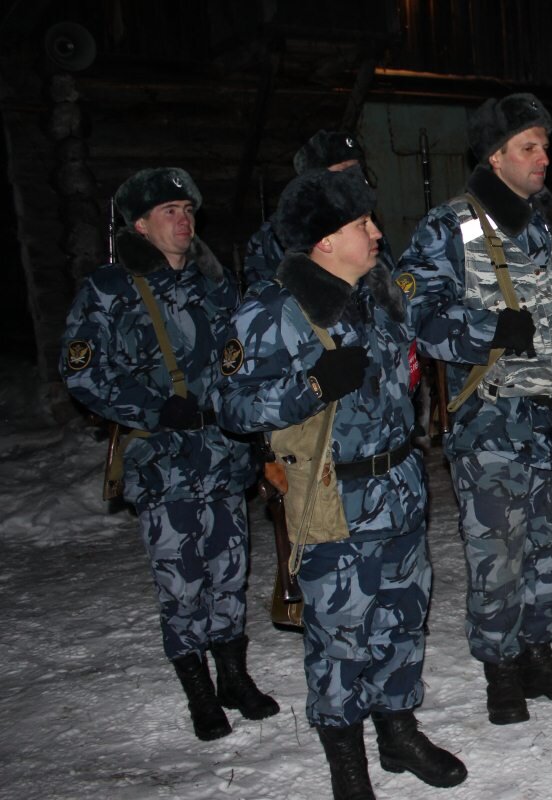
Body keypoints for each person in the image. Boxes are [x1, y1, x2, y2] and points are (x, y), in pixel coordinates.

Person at [220, 166, 466, 796]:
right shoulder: (272, 311)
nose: (378, 232)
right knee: (340, 636)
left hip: (399, 486)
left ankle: (398, 731)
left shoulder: (379, 297)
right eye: (363, 224)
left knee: (402, 619)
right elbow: (231, 406)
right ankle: (346, 762)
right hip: (334, 499)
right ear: (325, 240)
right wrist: (312, 386)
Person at [401, 92, 552, 726]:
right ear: (495, 154)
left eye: (545, 145)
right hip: (493, 421)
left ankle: (539, 653)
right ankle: (501, 670)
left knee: (549, 548)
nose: (544, 157)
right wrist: (485, 329)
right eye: (529, 147)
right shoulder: (449, 225)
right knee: (495, 555)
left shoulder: (551, 223)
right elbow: (410, 313)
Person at [60, 168, 275, 742]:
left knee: (230, 574)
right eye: (170, 211)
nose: (184, 221)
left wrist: (253, 436)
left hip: (222, 454)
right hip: (164, 463)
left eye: (188, 210)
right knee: (182, 584)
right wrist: (154, 408)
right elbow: (81, 371)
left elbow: (241, 361)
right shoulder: (110, 289)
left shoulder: (215, 284)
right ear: (140, 224)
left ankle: (233, 678)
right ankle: (200, 694)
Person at [243, 130, 378, 288]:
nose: (356, 180)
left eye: (357, 171)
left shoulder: (366, 226)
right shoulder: (277, 235)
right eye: (344, 171)